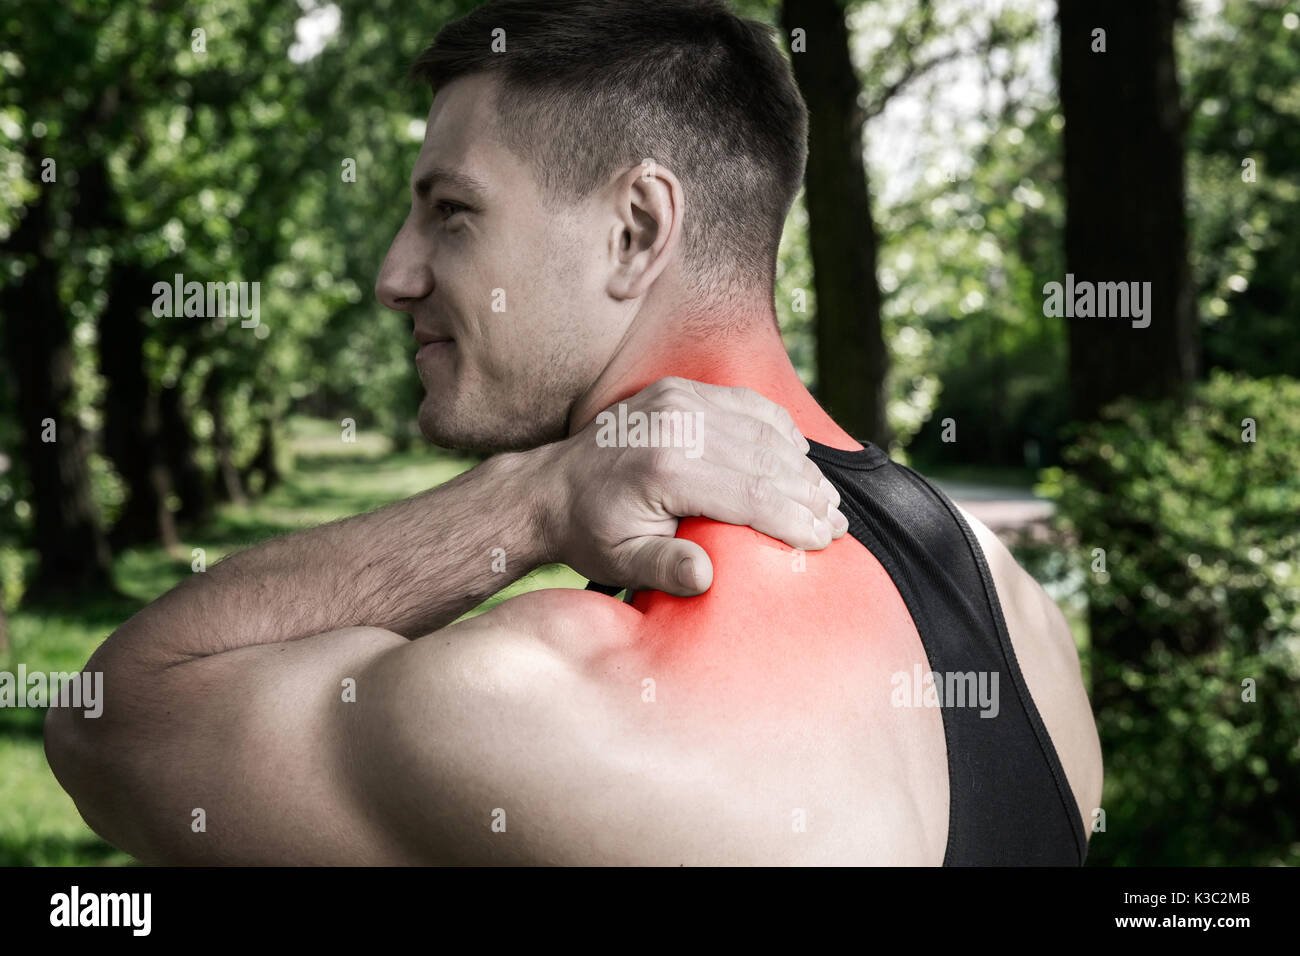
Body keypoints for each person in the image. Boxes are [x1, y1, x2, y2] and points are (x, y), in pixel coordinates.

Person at [46, 0, 1102, 865]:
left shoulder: (541, 696)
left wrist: (534, 499)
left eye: (451, 211)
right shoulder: (1011, 606)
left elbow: (111, 714)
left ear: (635, 230)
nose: (395, 275)